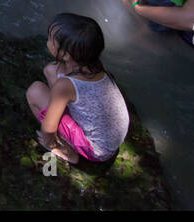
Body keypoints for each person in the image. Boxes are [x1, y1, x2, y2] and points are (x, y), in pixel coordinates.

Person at [25, 14, 129, 164]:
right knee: (51, 70)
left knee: (35, 91)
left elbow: (48, 128)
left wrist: (49, 142)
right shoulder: (95, 66)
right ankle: (62, 113)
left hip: (96, 151)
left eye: (50, 39)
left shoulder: (65, 86)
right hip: (111, 139)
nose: (47, 41)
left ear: (66, 55)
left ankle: (66, 150)